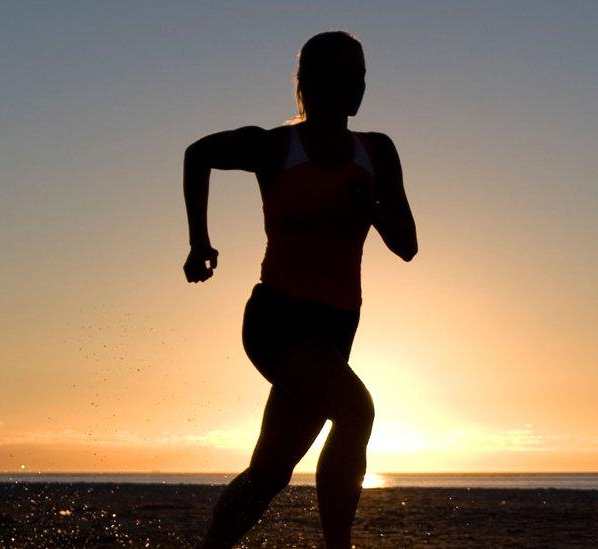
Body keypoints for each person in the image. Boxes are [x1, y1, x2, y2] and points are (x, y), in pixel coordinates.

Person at [181, 30, 417, 549]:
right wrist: (200, 242)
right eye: (344, 73)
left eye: (362, 74)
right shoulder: (275, 147)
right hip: (278, 319)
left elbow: (407, 245)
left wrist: (371, 210)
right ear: (308, 83)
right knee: (357, 410)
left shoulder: (376, 152)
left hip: (335, 330)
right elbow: (198, 154)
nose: (357, 85)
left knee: (270, 473)